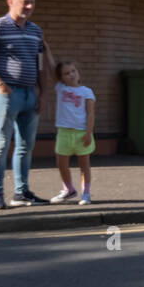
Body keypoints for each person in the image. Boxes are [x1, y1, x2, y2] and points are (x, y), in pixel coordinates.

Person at [0, 0, 56, 209]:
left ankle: (21, 193)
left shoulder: (36, 31)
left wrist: (43, 93)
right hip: (7, 94)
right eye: (25, 2)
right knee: (1, 143)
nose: (29, 7)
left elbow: (40, 64)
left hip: (31, 94)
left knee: (25, 146)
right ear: (10, 2)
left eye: (32, 2)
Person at [50, 61, 96, 205]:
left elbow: (90, 114)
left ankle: (86, 194)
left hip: (81, 133)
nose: (71, 75)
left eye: (73, 71)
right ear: (61, 78)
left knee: (84, 166)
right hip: (63, 133)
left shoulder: (86, 91)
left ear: (78, 72)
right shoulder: (60, 88)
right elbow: (52, 67)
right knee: (62, 164)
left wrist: (88, 133)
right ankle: (68, 189)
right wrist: (45, 48)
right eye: (66, 73)